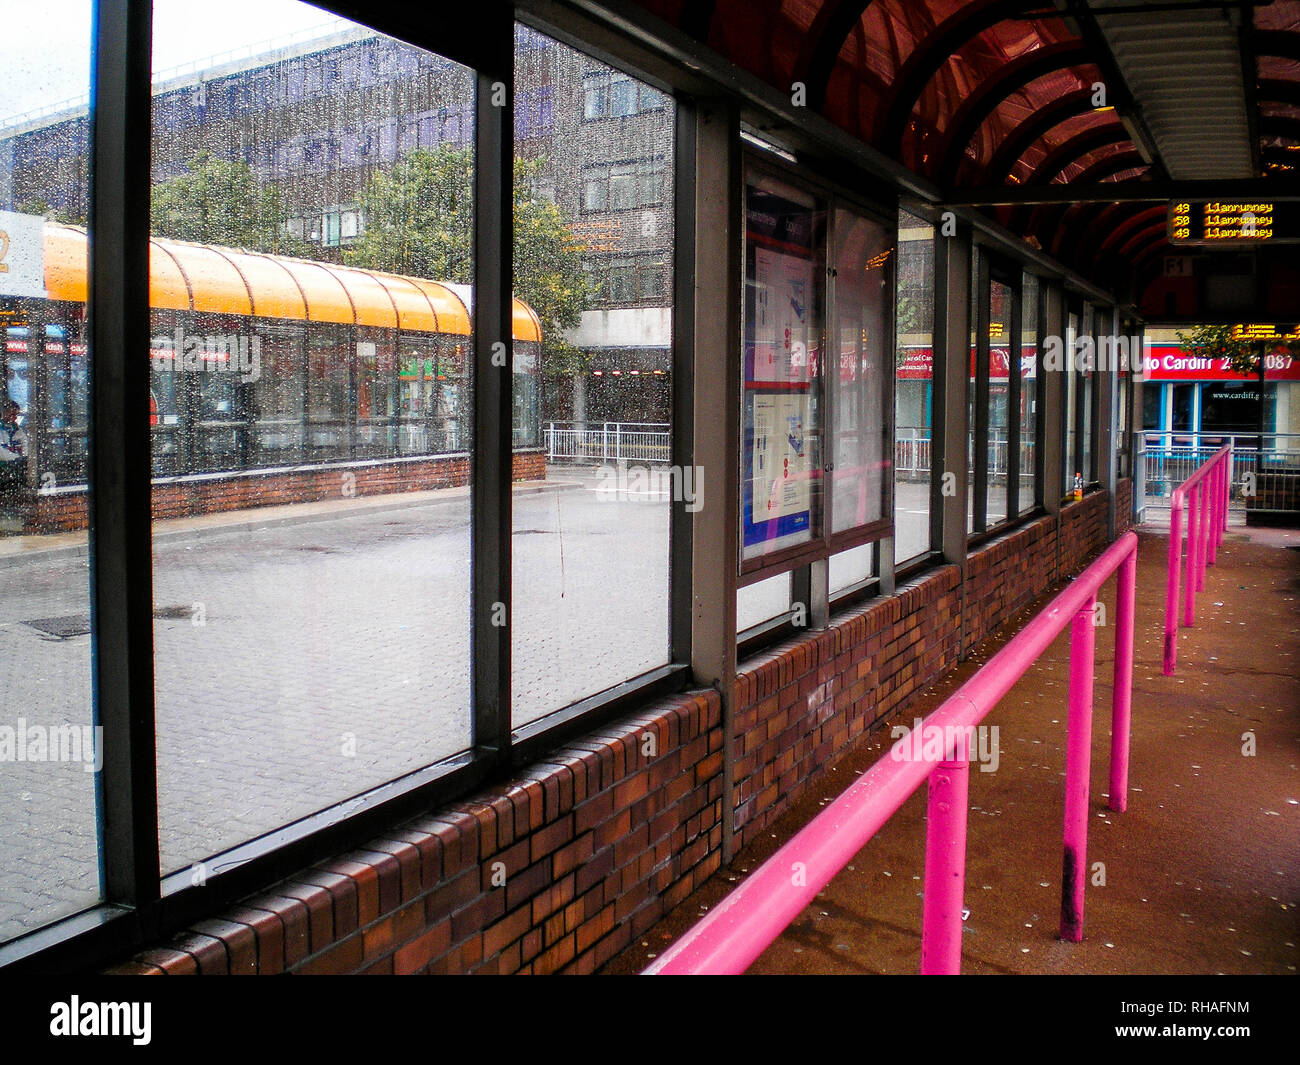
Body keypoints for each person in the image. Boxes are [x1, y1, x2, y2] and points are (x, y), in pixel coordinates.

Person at [0, 399, 29, 490]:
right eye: (12, 414)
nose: (15, 418)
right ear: (4, 412)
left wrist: (24, 456)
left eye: (16, 415)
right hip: (4, 467)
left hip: (15, 466)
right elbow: (1, 452)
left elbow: (24, 442)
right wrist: (16, 458)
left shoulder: (15, 428)